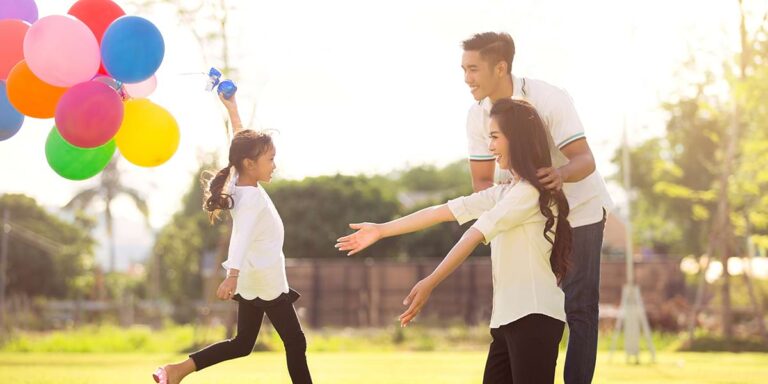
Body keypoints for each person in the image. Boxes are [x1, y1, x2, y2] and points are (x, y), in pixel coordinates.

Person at [337, 99, 572, 384]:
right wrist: (381, 230)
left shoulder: (529, 193)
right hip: (506, 318)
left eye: (495, 137)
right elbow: (441, 211)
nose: (490, 146)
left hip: (534, 315)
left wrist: (430, 282)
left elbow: (473, 234)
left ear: (517, 138)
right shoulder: (504, 193)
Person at [462, 32, 613, 384]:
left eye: (473, 69)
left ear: (501, 68)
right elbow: (482, 181)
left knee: (579, 307)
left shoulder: (548, 98)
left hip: (580, 211)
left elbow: (585, 160)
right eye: (464, 69)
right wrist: (510, 207)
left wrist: (558, 175)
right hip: (529, 215)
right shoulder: (476, 116)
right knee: (529, 303)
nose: (467, 78)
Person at [152, 94, 313, 384]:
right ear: (250, 164)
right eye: (270, 159)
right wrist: (232, 276)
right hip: (264, 279)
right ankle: (177, 371)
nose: (274, 165)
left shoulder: (240, 179)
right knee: (295, 341)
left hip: (254, 277)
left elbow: (240, 142)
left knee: (242, 344)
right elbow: (240, 237)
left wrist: (232, 107)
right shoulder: (250, 199)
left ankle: (177, 370)